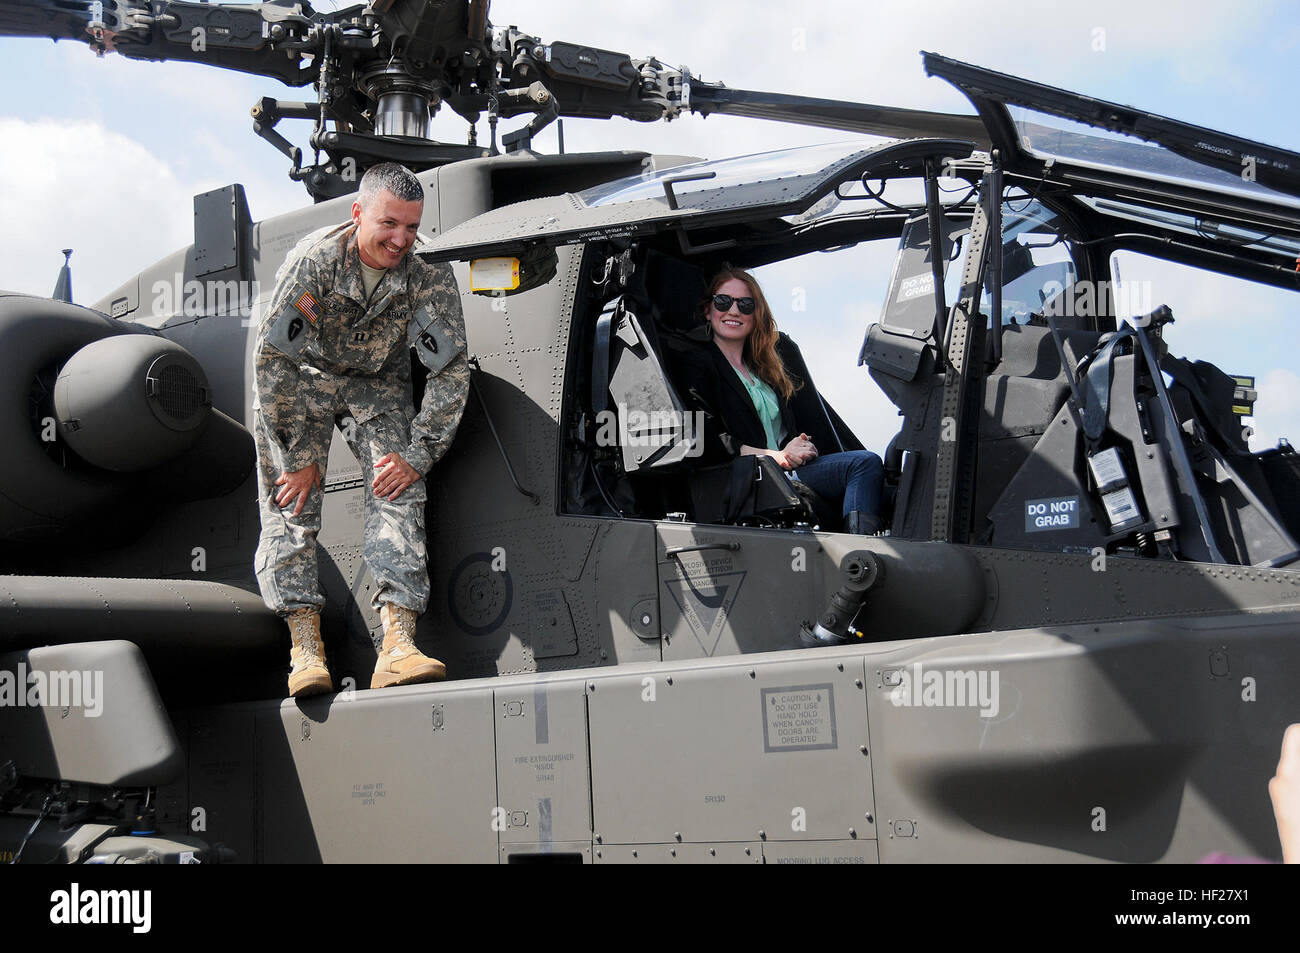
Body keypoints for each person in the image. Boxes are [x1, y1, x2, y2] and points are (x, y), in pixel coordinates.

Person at [252, 162, 470, 698]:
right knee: (292, 499)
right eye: (389, 224)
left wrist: (420, 453)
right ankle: (305, 645)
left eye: (412, 227)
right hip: (301, 376)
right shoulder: (316, 263)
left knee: (399, 485)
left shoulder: (427, 273)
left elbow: (450, 368)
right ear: (357, 213)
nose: (401, 239)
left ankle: (397, 644)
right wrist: (296, 454)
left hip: (375, 380)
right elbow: (274, 358)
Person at [672, 266, 884, 534]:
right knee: (862, 464)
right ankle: (858, 551)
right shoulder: (697, 362)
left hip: (783, 469)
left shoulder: (764, 366)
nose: (734, 311)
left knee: (878, 477)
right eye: (723, 302)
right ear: (708, 310)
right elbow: (712, 441)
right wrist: (777, 456)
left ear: (755, 314)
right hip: (750, 476)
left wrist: (796, 444)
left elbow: (777, 432)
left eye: (745, 304)